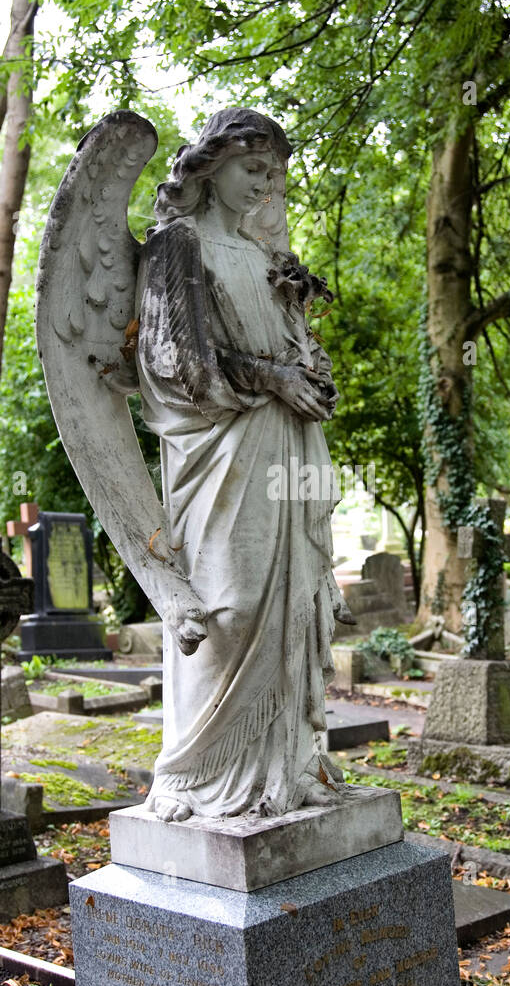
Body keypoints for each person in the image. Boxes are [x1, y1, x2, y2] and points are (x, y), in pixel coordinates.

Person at [135, 108, 352, 821]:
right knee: (231, 605)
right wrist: (269, 378)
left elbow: (296, 346)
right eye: (250, 168)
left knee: (295, 599)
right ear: (211, 168)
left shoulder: (268, 258)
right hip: (221, 452)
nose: (263, 183)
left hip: (288, 443)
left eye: (273, 173)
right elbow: (174, 364)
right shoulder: (178, 245)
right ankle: (196, 774)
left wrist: (310, 372)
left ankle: (285, 766)